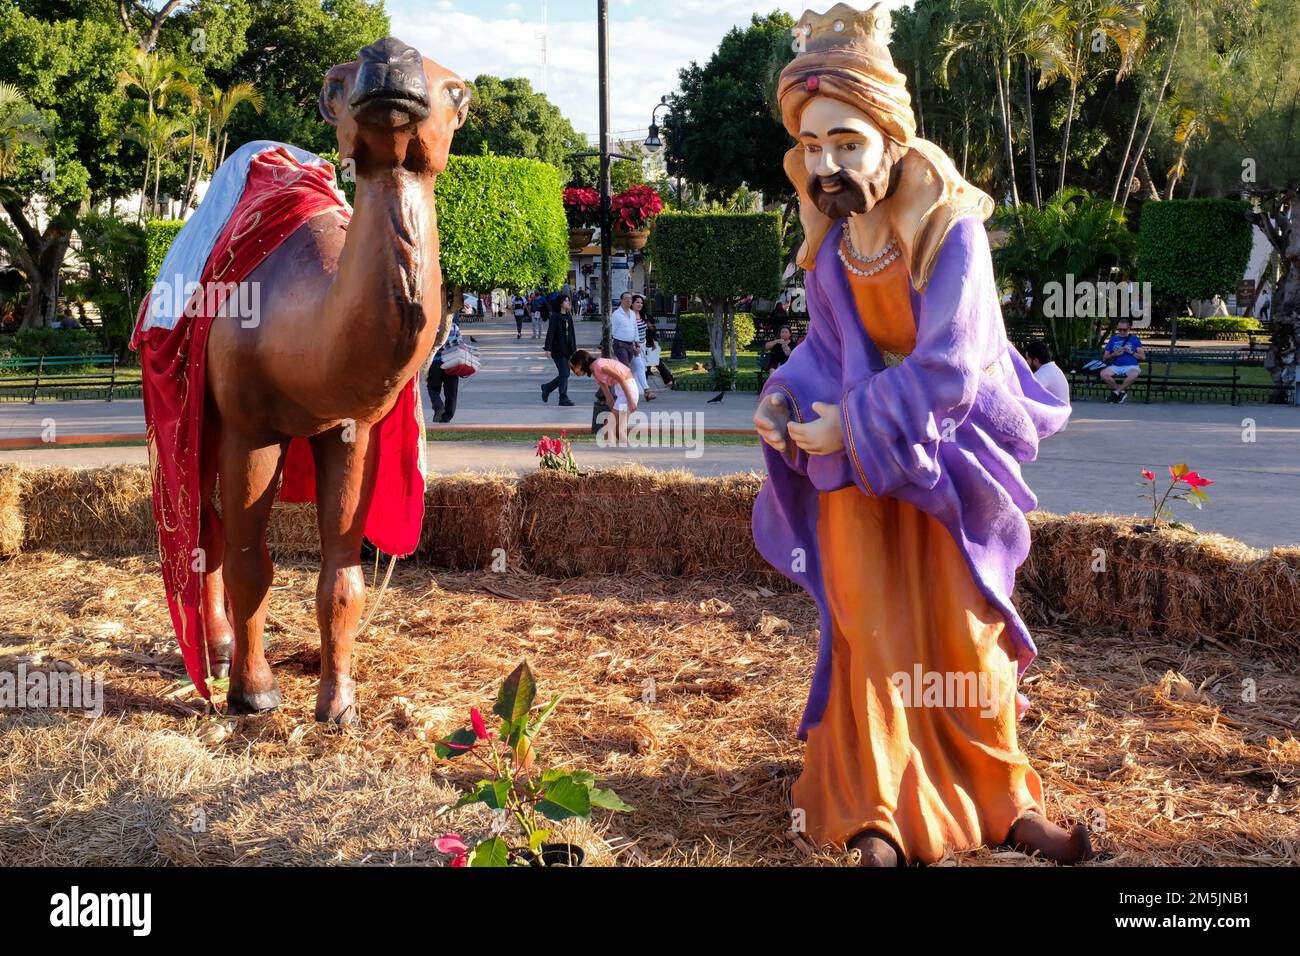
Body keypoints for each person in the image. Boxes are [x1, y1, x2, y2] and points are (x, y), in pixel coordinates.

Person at [752, 3, 1084, 868]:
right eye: (813, 147)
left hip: (949, 462)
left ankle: (1005, 800)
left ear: (890, 138)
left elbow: (952, 368)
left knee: (963, 630)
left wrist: (849, 424)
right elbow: (824, 352)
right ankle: (876, 814)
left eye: (846, 144)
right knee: (870, 625)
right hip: (856, 472)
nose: (827, 165)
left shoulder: (950, 232)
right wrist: (785, 401)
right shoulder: (829, 252)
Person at [570, 348, 638, 445]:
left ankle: (618, 455)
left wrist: (630, 401)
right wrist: (613, 411)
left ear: (580, 363)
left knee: (609, 430)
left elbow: (621, 377)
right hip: (622, 391)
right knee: (617, 430)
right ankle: (626, 453)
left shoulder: (598, 365)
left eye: (574, 367)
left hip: (628, 388)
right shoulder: (595, 372)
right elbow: (608, 397)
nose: (573, 370)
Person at [542, 293, 578, 406]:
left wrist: (574, 350)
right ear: (561, 303)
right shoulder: (555, 317)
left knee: (565, 374)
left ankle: (547, 388)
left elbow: (572, 334)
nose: (568, 302)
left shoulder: (568, 316)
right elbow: (550, 333)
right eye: (566, 301)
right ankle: (563, 397)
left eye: (569, 301)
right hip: (558, 350)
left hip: (568, 350)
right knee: (565, 373)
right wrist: (547, 348)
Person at [1025, 340, 1070, 429]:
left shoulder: (1043, 373)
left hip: (1053, 424)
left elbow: (1025, 394)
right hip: (1060, 422)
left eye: (1027, 359)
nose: (1026, 362)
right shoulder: (1052, 369)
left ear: (1036, 360)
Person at [1100, 317, 1144, 404]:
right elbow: (1105, 357)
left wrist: (1131, 352)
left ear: (1129, 329)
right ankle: (1121, 392)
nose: (1122, 332)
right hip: (1115, 366)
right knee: (1103, 374)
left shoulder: (1134, 339)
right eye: (1120, 330)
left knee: (1133, 374)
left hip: (1131, 366)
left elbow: (1142, 357)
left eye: (1124, 330)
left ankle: (1116, 392)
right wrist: (1114, 354)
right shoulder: (1113, 339)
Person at [427, 319, 462, 423]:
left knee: (432, 388)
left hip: (436, 362)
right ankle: (447, 416)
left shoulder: (432, 326)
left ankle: (438, 406)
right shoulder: (454, 327)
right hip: (452, 362)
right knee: (451, 391)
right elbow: (459, 343)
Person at [630, 293, 656, 401]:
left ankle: (632, 392)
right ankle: (647, 391)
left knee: (635, 370)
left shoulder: (644, 316)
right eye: (637, 302)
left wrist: (652, 342)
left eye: (641, 302)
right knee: (640, 367)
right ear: (632, 304)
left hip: (642, 346)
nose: (640, 304)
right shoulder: (629, 315)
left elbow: (648, 332)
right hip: (632, 347)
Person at [644, 315, 675, 388]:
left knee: (650, 366)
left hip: (651, 349)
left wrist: (653, 345)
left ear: (649, 322)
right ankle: (669, 379)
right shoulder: (650, 328)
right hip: (650, 349)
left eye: (646, 322)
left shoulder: (650, 329)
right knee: (651, 366)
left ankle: (669, 379)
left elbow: (653, 339)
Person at [610, 291, 639, 367]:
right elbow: (612, 330)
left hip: (630, 345)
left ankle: (619, 378)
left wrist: (637, 345)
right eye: (626, 298)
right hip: (620, 344)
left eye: (630, 298)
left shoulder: (632, 313)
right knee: (625, 366)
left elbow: (635, 328)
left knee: (626, 366)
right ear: (621, 300)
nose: (628, 300)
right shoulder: (616, 314)